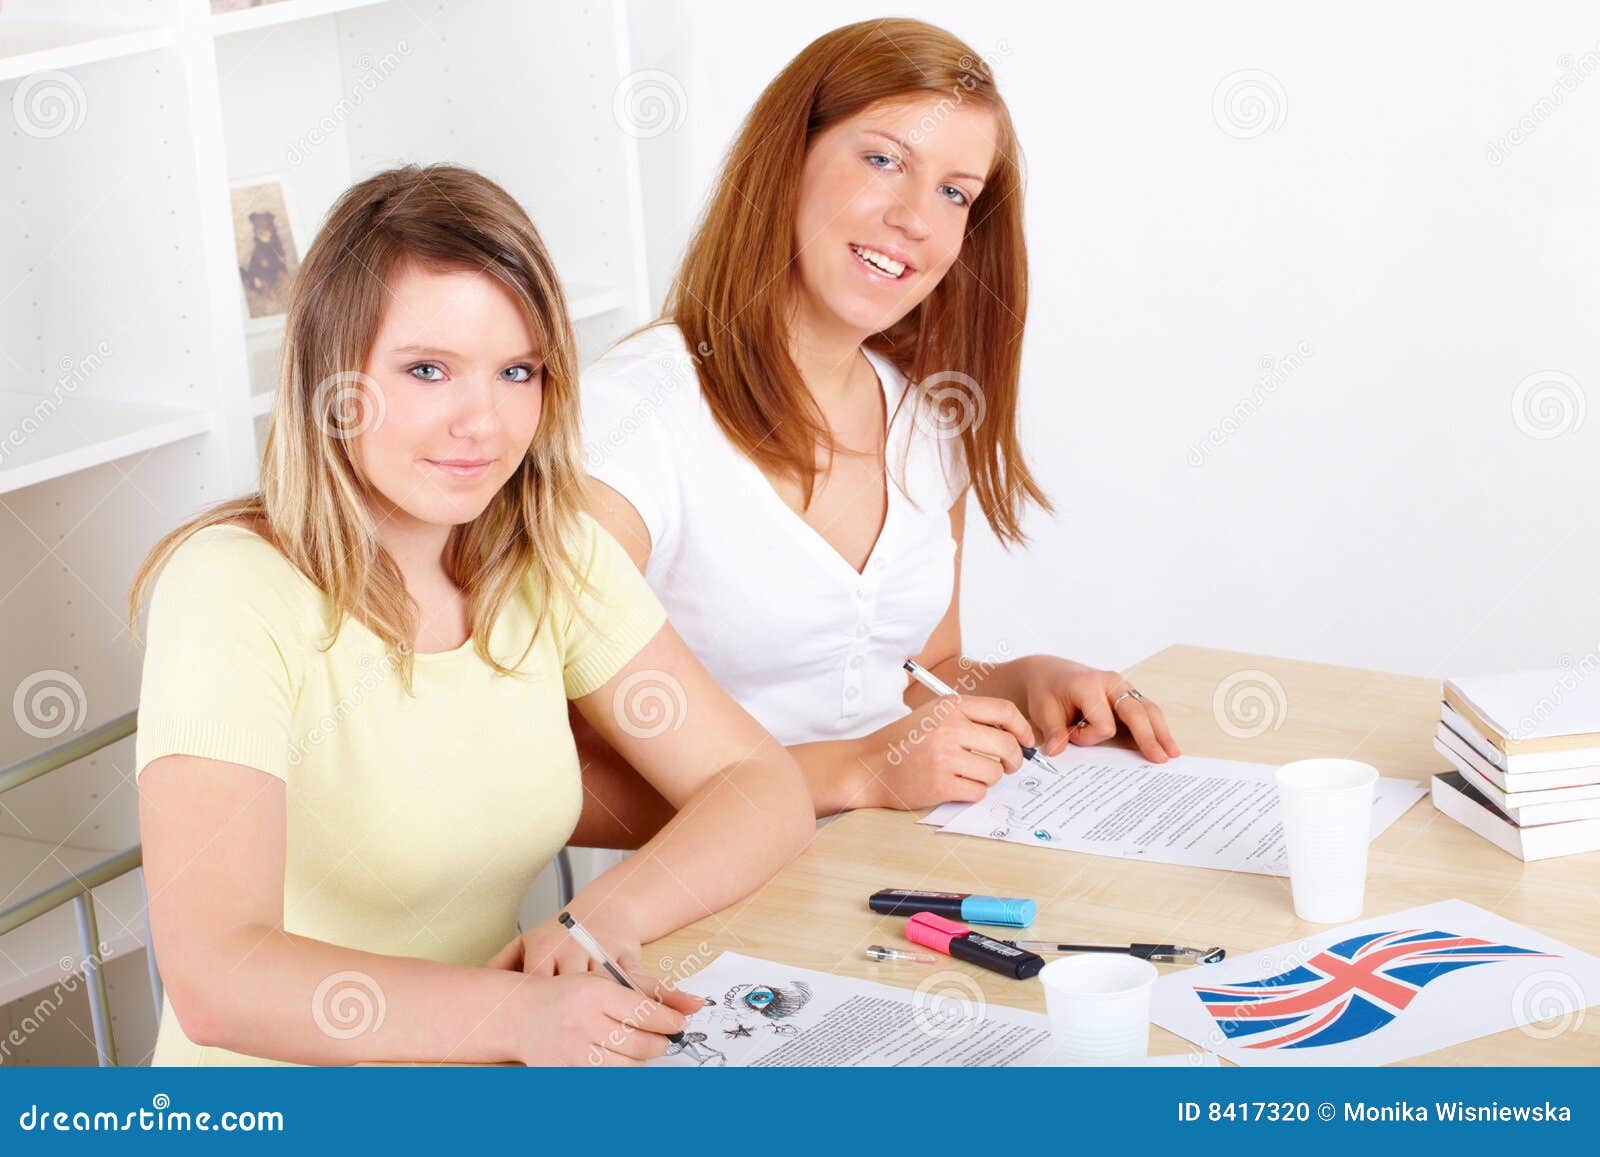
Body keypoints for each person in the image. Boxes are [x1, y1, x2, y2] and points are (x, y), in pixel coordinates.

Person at [130, 165, 813, 1066]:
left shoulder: (549, 555)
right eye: (427, 370)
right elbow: (218, 977)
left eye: (516, 371)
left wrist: (606, 911)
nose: (482, 423)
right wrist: (520, 1017)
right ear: (331, 379)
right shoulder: (228, 588)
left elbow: (760, 786)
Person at [580, 18, 1182, 823]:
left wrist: (1027, 682)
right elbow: (543, 788)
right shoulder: (627, 421)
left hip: (888, 868)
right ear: (786, 159)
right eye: (884, 160)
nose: (917, 219)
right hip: (695, 911)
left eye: (955, 192)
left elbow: (914, 672)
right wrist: (856, 776)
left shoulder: (932, 415)